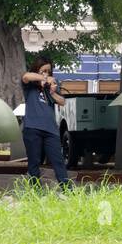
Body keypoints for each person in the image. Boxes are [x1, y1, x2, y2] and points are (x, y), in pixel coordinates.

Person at [21, 57, 71, 187]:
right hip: (32, 128)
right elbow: (26, 76)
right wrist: (42, 79)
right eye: (43, 70)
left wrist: (52, 92)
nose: (46, 73)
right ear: (37, 70)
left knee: (58, 161)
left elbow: (62, 101)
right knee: (34, 162)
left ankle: (68, 190)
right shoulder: (30, 85)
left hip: (51, 130)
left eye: (48, 71)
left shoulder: (52, 85)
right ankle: (35, 191)